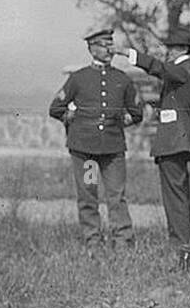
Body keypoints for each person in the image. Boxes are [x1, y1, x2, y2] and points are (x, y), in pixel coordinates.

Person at [49, 29, 143, 249]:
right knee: (88, 196)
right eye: (103, 45)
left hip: (112, 150)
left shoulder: (122, 79)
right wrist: (69, 119)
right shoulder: (78, 78)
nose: (109, 50)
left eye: (111, 45)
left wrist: (119, 123)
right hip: (85, 151)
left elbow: (137, 113)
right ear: (91, 48)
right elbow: (55, 108)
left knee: (116, 197)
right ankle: (93, 242)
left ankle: (123, 244)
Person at [116, 28, 190, 249]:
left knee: (175, 198)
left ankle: (181, 245)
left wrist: (130, 54)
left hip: (174, 143)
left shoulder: (184, 67)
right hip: (173, 143)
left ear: (183, 49)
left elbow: (160, 69)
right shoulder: (185, 69)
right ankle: (181, 243)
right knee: (175, 197)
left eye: (172, 49)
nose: (168, 52)